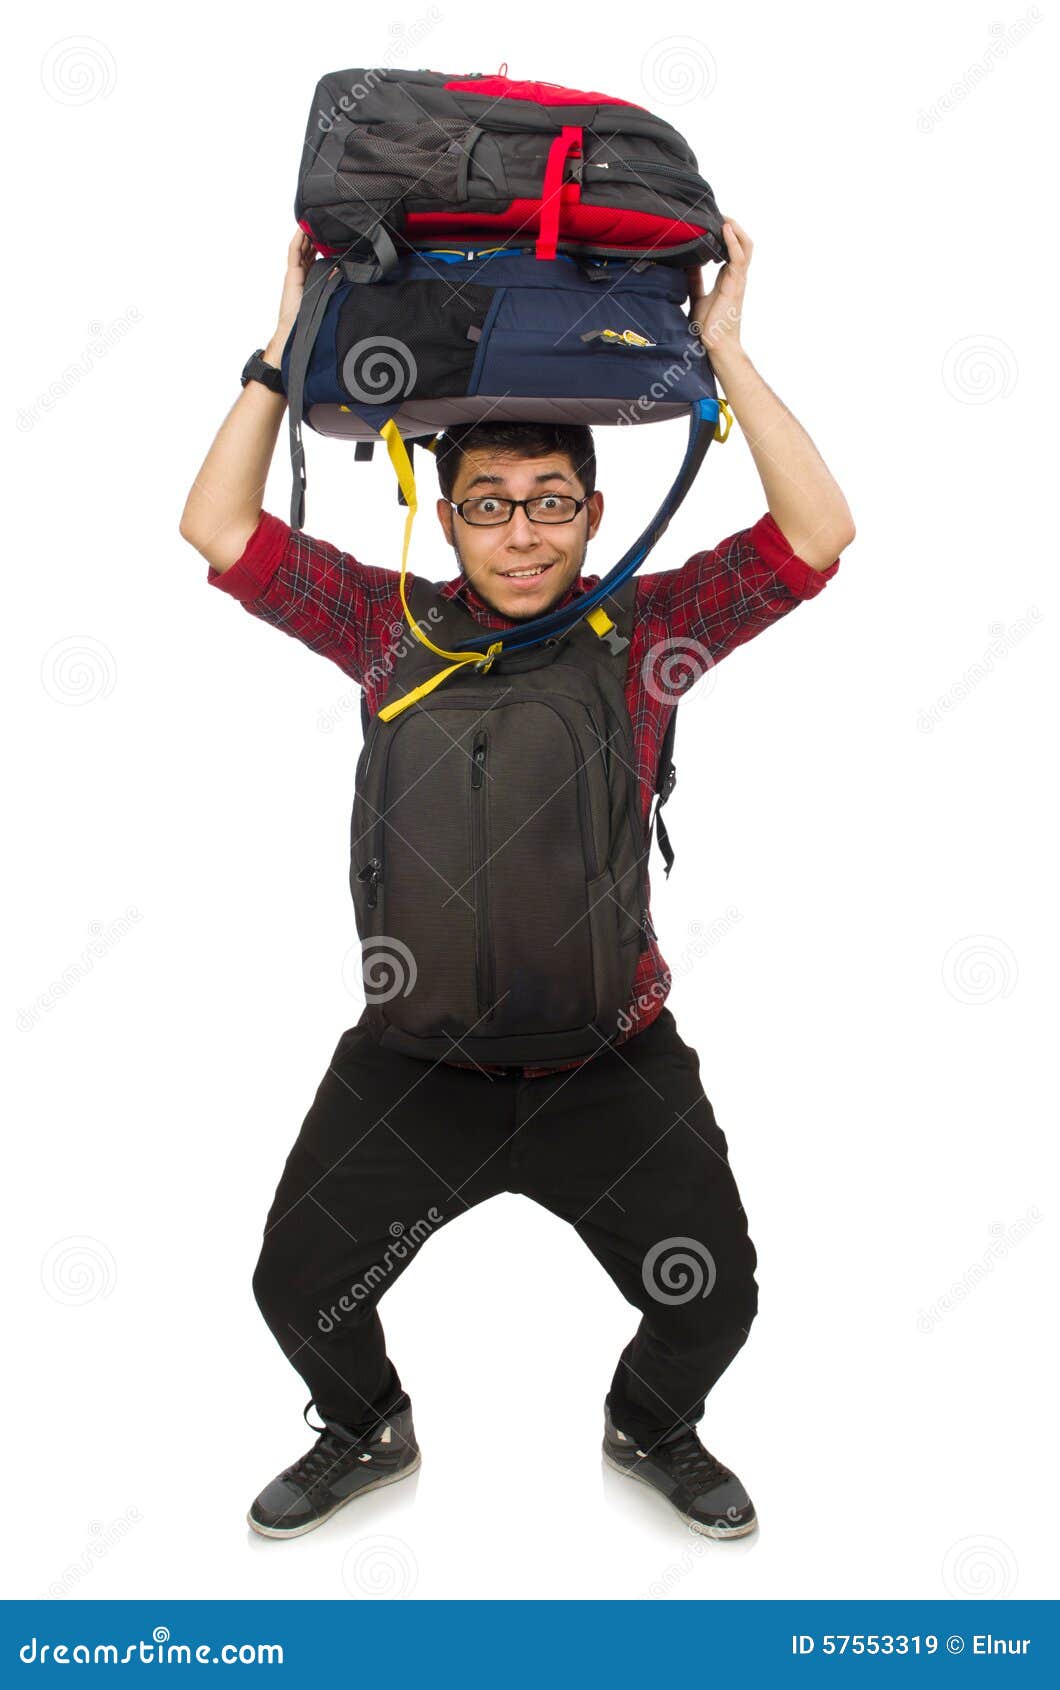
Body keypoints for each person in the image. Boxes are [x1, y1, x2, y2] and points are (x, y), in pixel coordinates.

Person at [179, 218, 855, 1542]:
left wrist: (724, 349)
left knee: (713, 1294)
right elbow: (215, 525)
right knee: (296, 1284)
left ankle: (651, 1422)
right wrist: (281, 350)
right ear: (450, 514)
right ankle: (365, 1422)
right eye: (491, 505)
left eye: (552, 501)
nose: (523, 533)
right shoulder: (391, 627)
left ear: (594, 512)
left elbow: (817, 534)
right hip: (416, 1065)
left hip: (611, 1060)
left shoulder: (645, 631)